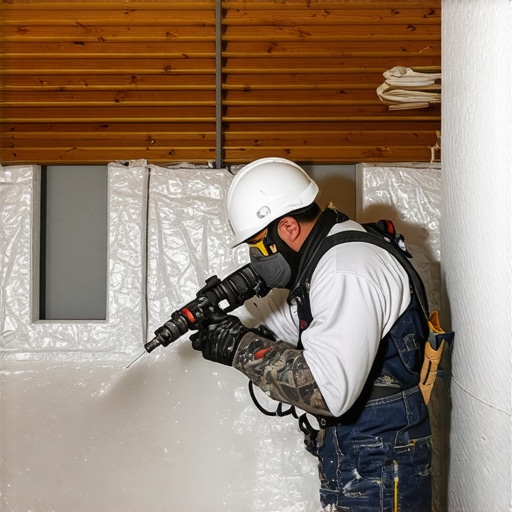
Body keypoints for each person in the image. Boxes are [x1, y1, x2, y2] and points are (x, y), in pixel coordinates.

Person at [191, 157, 432, 511]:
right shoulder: (328, 254)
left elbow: (328, 391)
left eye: (258, 246)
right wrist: (229, 331)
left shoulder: (344, 269)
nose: (256, 259)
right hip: (366, 453)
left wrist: (239, 347)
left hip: (379, 459)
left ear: (287, 228)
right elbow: (290, 328)